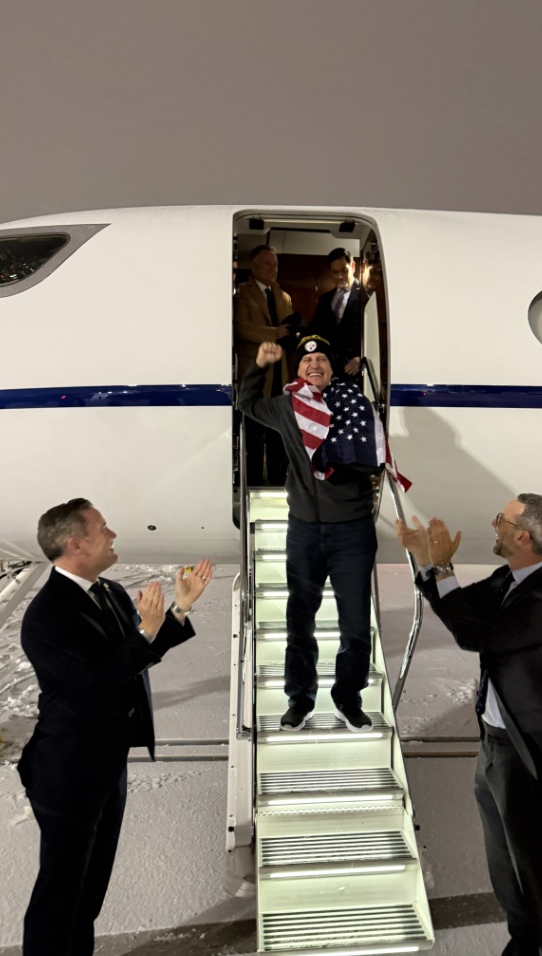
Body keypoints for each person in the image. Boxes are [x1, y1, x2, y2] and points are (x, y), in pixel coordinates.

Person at [18, 498, 213, 956]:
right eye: (103, 528)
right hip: (66, 770)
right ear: (76, 543)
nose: (113, 535)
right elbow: (92, 683)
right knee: (60, 893)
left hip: (106, 763)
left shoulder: (109, 592)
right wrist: (144, 633)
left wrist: (178, 611)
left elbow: (131, 658)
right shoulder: (47, 616)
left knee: (88, 893)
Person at [397, 494, 542, 956]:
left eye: (502, 519)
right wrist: (429, 563)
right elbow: (462, 606)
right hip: (495, 746)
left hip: (529, 755)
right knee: (504, 863)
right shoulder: (512, 578)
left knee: (537, 870)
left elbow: (473, 633)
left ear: (522, 536)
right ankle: (522, 943)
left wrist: (441, 568)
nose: (494, 524)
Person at [239, 334, 382, 733]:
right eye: (306, 361)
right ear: (297, 371)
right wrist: (259, 365)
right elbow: (246, 404)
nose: (313, 365)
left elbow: (370, 458)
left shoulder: (353, 406)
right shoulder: (289, 406)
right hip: (303, 531)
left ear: (332, 370)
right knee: (299, 622)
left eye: (321, 359)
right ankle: (299, 700)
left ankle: (348, 699)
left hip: (351, 532)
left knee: (354, 625)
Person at [234, 244, 293, 485]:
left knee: (281, 429)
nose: (274, 269)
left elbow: (287, 331)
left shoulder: (284, 296)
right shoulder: (242, 294)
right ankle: (253, 483)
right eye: (268, 263)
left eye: (276, 264)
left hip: (281, 371)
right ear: (255, 266)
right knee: (255, 432)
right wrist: (275, 333)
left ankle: (280, 482)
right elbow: (241, 328)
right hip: (255, 371)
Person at [308, 247, 363, 380]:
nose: (340, 277)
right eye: (335, 272)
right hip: (328, 373)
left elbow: (376, 335)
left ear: (353, 266)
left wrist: (362, 358)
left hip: (355, 374)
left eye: (344, 270)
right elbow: (315, 330)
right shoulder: (325, 299)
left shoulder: (366, 297)